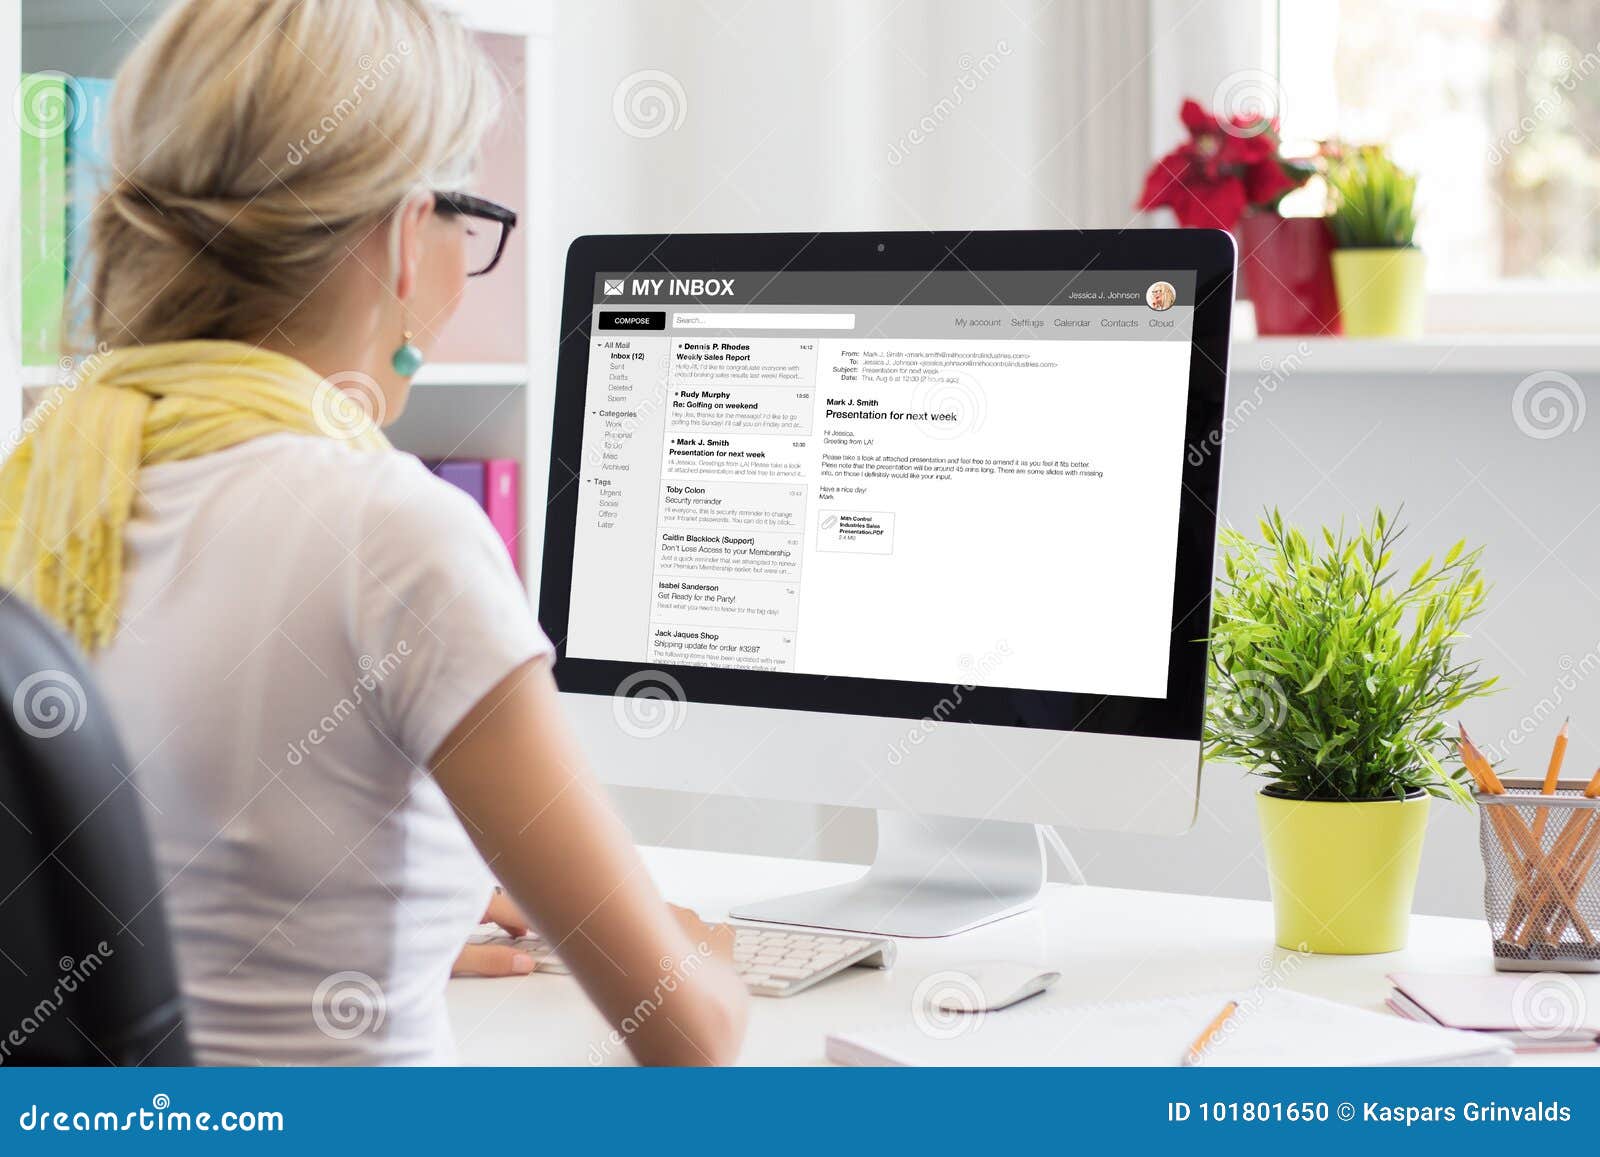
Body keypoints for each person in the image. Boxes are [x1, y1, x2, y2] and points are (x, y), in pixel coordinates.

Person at [0, 0, 746, 1066]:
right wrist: (701, 955)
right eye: (471, 216)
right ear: (405, 232)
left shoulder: (48, 488)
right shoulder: (394, 533)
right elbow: (689, 1035)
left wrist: (384, 924)